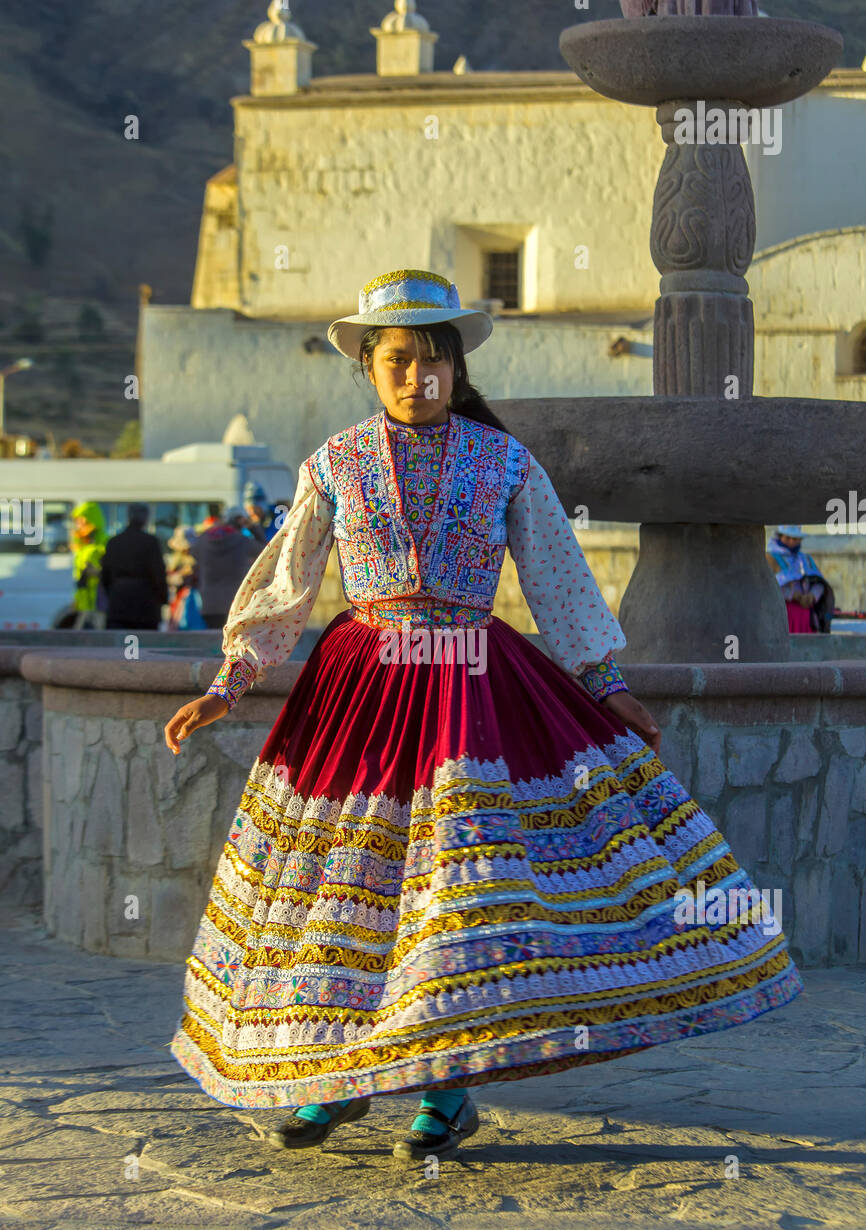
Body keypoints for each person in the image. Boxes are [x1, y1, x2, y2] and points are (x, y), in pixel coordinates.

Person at [164, 268, 804, 1164]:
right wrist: (231, 679)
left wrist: (606, 683)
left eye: (433, 363)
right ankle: (333, 1075)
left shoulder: (503, 462)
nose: (416, 379)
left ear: (457, 370)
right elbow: (288, 580)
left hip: (470, 687)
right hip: (363, 693)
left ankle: (446, 1092)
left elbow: (560, 580)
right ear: (368, 366)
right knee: (344, 890)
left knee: (458, 894)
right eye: (397, 362)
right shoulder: (337, 464)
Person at [189, 506, 264, 629]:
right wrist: (253, 527)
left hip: (209, 603)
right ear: (242, 521)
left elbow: (193, 553)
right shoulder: (243, 541)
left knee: (213, 639)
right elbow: (266, 550)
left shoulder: (203, 540)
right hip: (236, 602)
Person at [100, 502, 168, 631]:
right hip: (145, 603)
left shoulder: (114, 542)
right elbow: (158, 573)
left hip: (118, 602)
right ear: (146, 519)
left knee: (121, 647)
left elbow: (105, 575)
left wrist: (112, 593)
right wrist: (162, 598)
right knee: (143, 646)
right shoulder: (150, 542)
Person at [767, 524, 833, 634]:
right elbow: (768, 587)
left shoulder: (805, 559)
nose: (792, 542)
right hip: (783, 614)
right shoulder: (770, 558)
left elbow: (819, 583)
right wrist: (793, 595)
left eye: (795, 539)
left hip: (806, 616)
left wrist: (812, 596)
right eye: (788, 538)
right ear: (780, 536)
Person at [69, 501, 108, 629]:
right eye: (78, 522)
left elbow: (110, 570)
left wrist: (95, 571)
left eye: (82, 521)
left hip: (99, 602)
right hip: (85, 603)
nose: (79, 525)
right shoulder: (82, 545)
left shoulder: (104, 542)